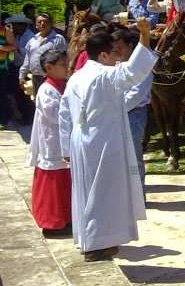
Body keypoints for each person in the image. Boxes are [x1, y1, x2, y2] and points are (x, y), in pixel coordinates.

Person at [60, 17, 157, 261]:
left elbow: (64, 114)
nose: (117, 58)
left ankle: (91, 239)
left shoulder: (75, 78)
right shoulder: (104, 75)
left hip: (79, 139)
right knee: (101, 192)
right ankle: (96, 244)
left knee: (85, 189)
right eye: (114, 54)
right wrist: (145, 34)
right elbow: (135, 71)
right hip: (102, 140)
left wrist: (65, 147)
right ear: (103, 55)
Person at [26, 48, 72, 236]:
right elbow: (55, 115)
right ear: (49, 68)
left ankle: (65, 219)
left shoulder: (62, 85)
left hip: (63, 142)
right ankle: (51, 223)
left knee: (65, 185)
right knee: (53, 186)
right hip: (52, 143)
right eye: (62, 65)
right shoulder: (46, 89)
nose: (66, 68)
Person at [112, 27, 152, 191]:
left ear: (130, 46)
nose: (117, 52)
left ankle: (138, 194)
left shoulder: (141, 66)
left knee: (133, 156)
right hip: (115, 113)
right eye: (114, 49)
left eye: (120, 48)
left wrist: (113, 107)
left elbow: (135, 96)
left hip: (134, 114)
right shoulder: (116, 65)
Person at [20, 13, 68, 96]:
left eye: (45, 21)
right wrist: (22, 75)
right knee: (38, 101)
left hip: (52, 77)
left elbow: (64, 58)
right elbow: (27, 60)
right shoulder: (32, 41)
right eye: (39, 22)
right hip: (35, 77)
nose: (42, 24)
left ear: (51, 24)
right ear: (36, 25)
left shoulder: (58, 39)